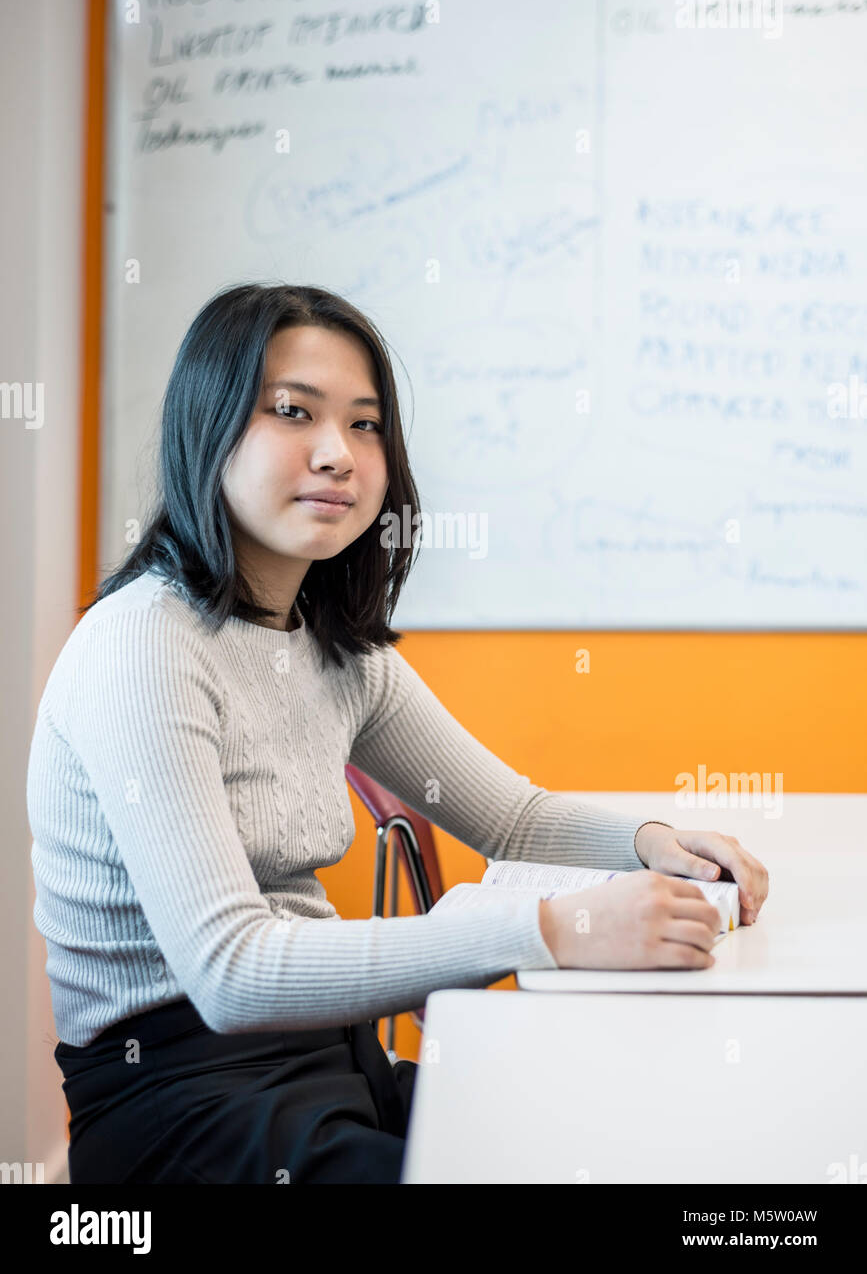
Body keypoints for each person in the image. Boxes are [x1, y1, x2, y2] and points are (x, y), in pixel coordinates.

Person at [27, 282, 768, 1185]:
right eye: (293, 412)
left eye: (366, 424)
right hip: (183, 1102)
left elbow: (515, 820)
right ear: (207, 426)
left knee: (623, 1141)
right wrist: (550, 927)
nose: (338, 454)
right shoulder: (143, 642)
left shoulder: (331, 644)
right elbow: (229, 971)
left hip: (330, 1064)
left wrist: (654, 844)